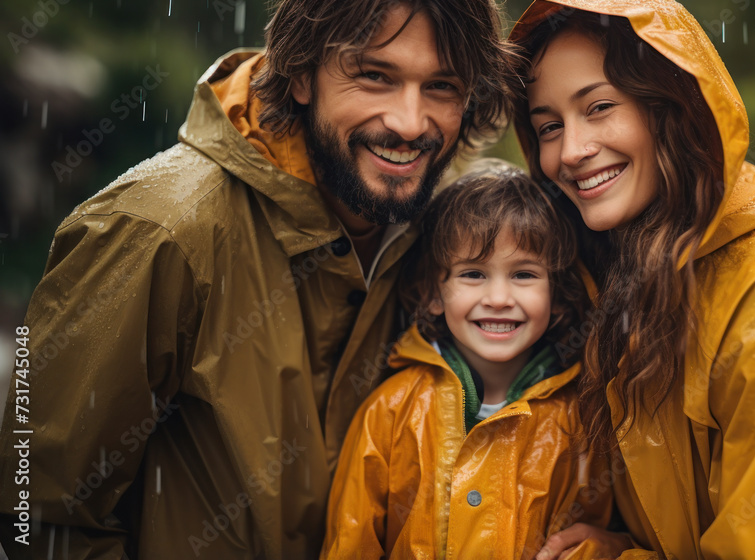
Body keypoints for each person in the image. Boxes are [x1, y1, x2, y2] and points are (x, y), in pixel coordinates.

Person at [0, 1, 518, 558]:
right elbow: (34, 509)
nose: (410, 123)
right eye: (375, 76)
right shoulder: (156, 228)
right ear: (299, 75)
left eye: (441, 86)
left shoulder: (453, 239)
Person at [511, 1, 755, 558]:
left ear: (672, 108)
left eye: (599, 107)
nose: (572, 151)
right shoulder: (618, 294)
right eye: (548, 126)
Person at [321, 161, 615, 559]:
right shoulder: (389, 412)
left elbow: (601, 529)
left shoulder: (584, 419)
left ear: (558, 297)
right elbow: (350, 544)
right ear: (433, 294)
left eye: (524, 275)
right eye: (473, 274)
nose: (498, 298)